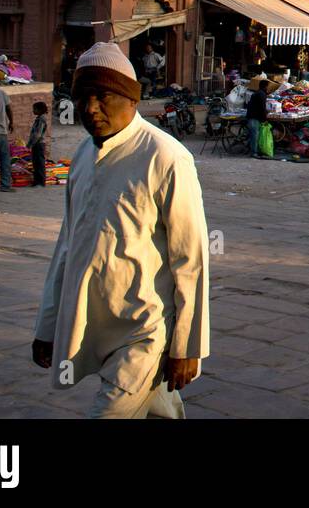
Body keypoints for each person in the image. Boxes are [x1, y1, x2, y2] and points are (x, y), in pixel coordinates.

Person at [33, 41, 209, 418]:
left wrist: (187, 345)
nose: (91, 108)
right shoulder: (82, 156)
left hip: (145, 331)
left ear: (131, 99)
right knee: (161, 411)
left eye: (103, 96)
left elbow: (190, 260)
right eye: (82, 98)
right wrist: (48, 325)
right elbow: (68, 246)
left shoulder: (166, 156)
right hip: (95, 322)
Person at [245, 77, 270, 159]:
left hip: (252, 116)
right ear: (265, 86)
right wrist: (265, 119)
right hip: (254, 117)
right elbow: (262, 108)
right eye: (267, 86)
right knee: (254, 136)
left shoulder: (258, 93)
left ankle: (253, 150)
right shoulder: (261, 94)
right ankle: (253, 152)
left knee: (254, 135)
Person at [28, 101, 51, 186]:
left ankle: (40, 181)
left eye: (34, 109)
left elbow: (37, 134)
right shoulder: (39, 118)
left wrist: (30, 144)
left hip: (39, 144)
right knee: (35, 163)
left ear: (39, 110)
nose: (33, 111)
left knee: (39, 163)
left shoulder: (42, 119)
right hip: (37, 143)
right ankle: (37, 180)